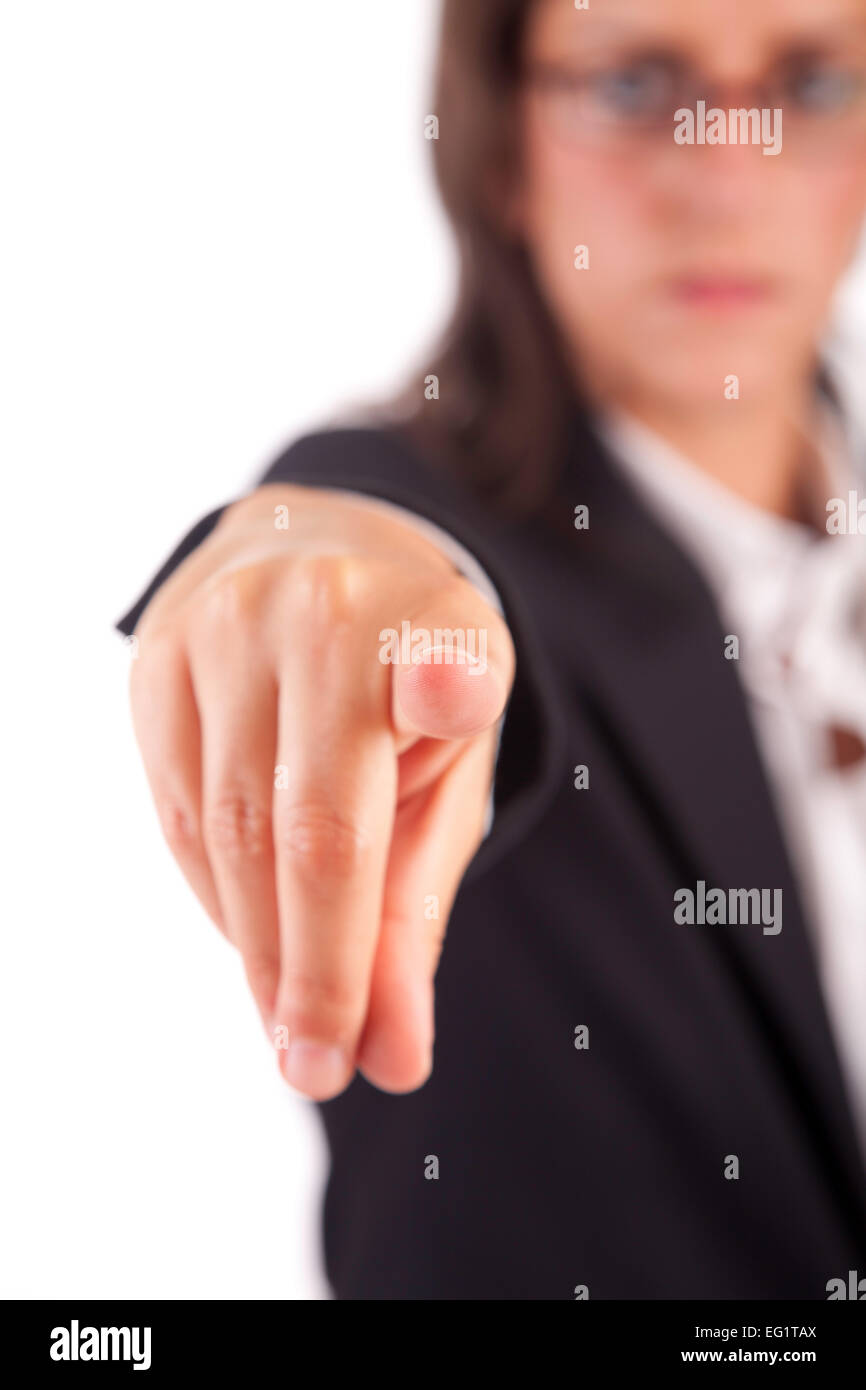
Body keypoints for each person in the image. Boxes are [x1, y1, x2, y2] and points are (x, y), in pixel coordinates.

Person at [118, 0, 866, 1298]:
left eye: (808, 82)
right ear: (500, 151)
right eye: (634, 85)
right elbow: (355, 541)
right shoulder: (431, 526)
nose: (726, 178)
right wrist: (323, 569)